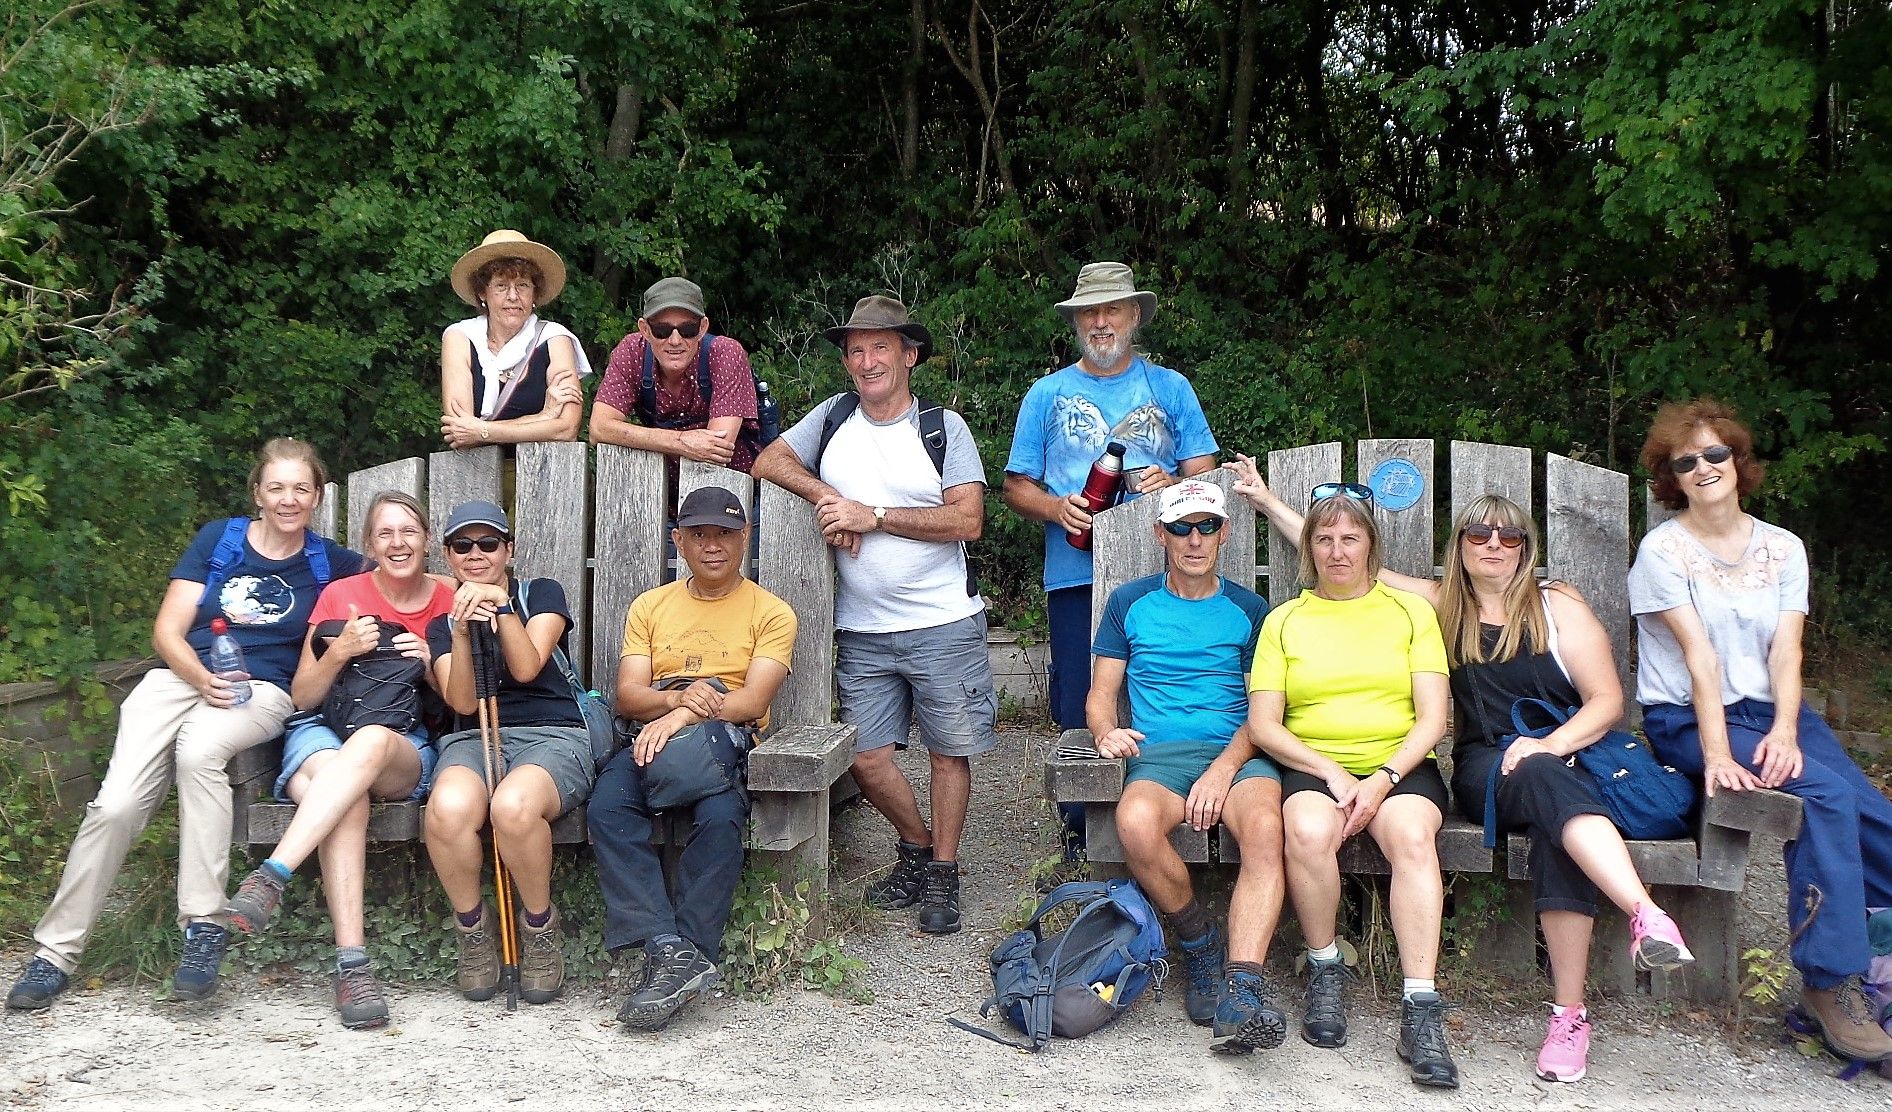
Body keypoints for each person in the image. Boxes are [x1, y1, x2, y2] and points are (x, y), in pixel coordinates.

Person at [1233, 459, 1696, 1083]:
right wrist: (1267, 502)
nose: (1495, 546)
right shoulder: (1436, 602)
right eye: (1479, 535)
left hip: (1539, 759)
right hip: (1477, 766)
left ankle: (1476, 1005)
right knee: (1319, 829)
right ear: (1460, 548)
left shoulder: (1548, 607)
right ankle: (1329, 969)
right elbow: (1339, 553)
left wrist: (1543, 745)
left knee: (1528, 817)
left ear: (1529, 549)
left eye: (1509, 538)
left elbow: (1606, 701)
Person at [6, 440, 365, 1012]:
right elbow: (168, 632)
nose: (288, 499)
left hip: (261, 691)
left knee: (201, 750)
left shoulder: (330, 563)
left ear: (318, 496)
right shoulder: (219, 541)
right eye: (277, 487)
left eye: (301, 488)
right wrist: (200, 679)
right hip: (180, 678)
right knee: (116, 805)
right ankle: (55, 953)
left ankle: (204, 927)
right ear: (258, 493)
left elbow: (401, 574)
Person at [1630, 398, 1892, 1063]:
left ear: (1738, 461)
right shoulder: (1664, 551)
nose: (1703, 467)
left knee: (1873, 817)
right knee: (1824, 799)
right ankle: (1830, 982)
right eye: (1686, 461)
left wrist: (1785, 730)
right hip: (1689, 718)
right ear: (1672, 477)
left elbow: (1786, 653)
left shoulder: (1783, 548)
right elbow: (1699, 659)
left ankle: (1881, 962)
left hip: (1774, 711)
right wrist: (1718, 753)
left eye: (1715, 453)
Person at [753, 294, 996, 935]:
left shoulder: (943, 427)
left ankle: (943, 871)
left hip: (942, 619)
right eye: (856, 351)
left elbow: (968, 519)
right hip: (862, 626)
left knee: (949, 752)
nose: (867, 361)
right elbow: (768, 460)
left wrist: (876, 516)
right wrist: (827, 493)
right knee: (864, 756)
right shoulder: (833, 420)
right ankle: (916, 846)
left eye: (880, 348)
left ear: (909, 356)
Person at [1242, 485, 1461, 1089]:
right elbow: (1264, 723)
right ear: (1309, 549)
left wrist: (1385, 778)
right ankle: (1324, 966)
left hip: (1400, 764)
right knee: (1308, 829)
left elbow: (1432, 719)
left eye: (1350, 539)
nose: (1338, 552)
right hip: (1317, 763)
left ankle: (1420, 1006)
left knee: (1414, 837)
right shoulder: (1285, 620)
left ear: (1370, 546)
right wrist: (1334, 774)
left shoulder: (1410, 612)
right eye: (1325, 539)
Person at [1002, 261, 1217, 854]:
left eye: (1112, 310)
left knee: (1164, 689)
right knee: (1079, 696)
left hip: (1164, 573)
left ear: (1134, 317)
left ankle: (1167, 812)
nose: (1101, 322)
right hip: (1075, 572)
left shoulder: (1170, 388)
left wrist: (1171, 480)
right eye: (1090, 313)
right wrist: (1056, 509)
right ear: (1076, 323)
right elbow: (1015, 485)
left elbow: (1205, 472)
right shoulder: (1046, 394)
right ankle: (1082, 829)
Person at [219, 490, 454, 1030]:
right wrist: (342, 649)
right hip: (322, 734)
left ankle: (272, 874)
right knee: (343, 794)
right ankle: (353, 967)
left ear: (425, 540)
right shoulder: (341, 595)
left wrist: (429, 662)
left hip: (402, 744)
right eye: (385, 534)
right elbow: (303, 695)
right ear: (370, 545)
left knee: (368, 743)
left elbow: (462, 701)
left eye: (408, 532)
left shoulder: (446, 598)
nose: (398, 543)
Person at [1087, 480, 1287, 1054]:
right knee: (1135, 823)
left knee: (1266, 830)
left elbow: (1264, 710)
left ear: (1223, 534)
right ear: (1161, 535)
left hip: (1239, 750)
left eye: (1206, 527)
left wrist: (1225, 768)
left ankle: (1242, 987)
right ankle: (1198, 942)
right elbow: (1102, 692)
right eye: (1181, 528)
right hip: (1161, 752)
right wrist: (1105, 731)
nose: (1194, 539)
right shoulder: (1130, 602)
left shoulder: (1250, 610)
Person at [590, 487, 795, 1030]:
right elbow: (628, 695)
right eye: (699, 534)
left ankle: (691, 946)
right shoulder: (650, 606)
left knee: (721, 817)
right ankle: (667, 948)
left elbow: (751, 702)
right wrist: (675, 702)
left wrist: (684, 715)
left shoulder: (771, 612)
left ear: (744, 538)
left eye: (724, 533)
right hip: (652, 731)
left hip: (725, 739)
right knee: (608, 807)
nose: (712, 546)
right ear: (678, 541)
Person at [421, 501, 596, 1006]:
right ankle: (473, 932)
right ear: (449, 556)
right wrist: (458, 629)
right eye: (462, 546)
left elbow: (526, 667)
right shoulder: (441, 621)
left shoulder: (540, 594)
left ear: (508, 550)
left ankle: (539, 927)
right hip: (474, 736)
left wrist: (500, 609)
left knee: (512, 808)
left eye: (488, 544)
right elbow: (459, 702)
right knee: (448, 809)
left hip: (552, 733)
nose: (476, 555)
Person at [590, 276, 762, 474]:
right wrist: (681, 441)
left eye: (687, 329)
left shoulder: (725, 353)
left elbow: (717, 448)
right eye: (662, 330)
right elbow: (599, 428)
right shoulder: (631, 351)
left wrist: (641, 437)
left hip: (727, 489)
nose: (675, 340)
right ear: (645, 329)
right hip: (656, 485)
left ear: (703, 327)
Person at [440, 230, 591, 449]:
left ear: (534, 294)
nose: (513, 296)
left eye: (523, 285)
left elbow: (566, 429)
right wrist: (544, 417)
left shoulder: (556, 339)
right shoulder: (460, 337)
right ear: (483, 293)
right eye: (501, 285)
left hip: (545, 474)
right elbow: (460, 434)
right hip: (474, 477)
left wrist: (482, 431)